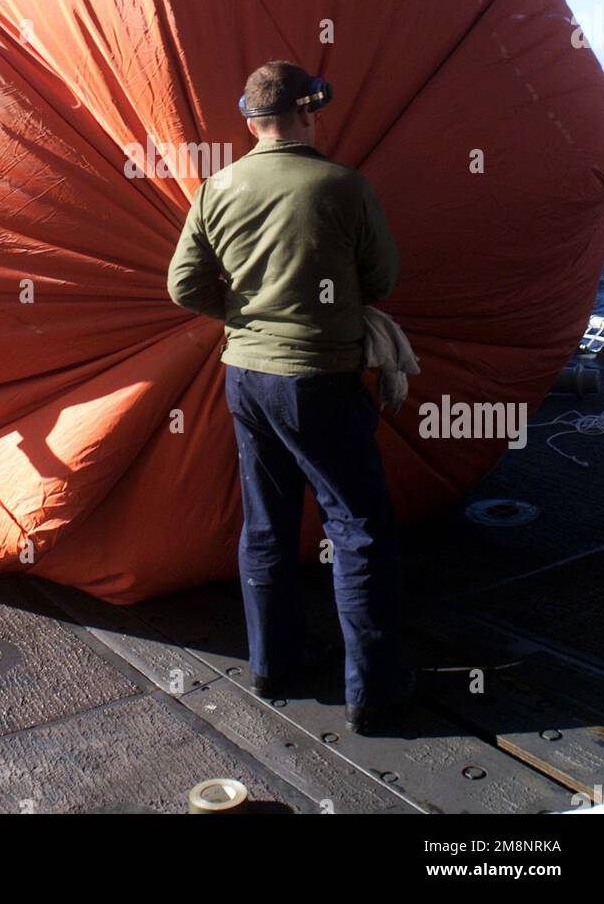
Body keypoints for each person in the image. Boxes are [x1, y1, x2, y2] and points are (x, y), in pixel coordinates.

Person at [166, 60, 415, 734]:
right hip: (321, 380)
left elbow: (184, 285)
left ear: (251, 122)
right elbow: (383, 278)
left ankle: (272, 665)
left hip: (246, 378)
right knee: (359, 530)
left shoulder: (218, 187)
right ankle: (374, 694)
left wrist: (247, 317)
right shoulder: (343, 185)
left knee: (267, 524)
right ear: (310, 114)